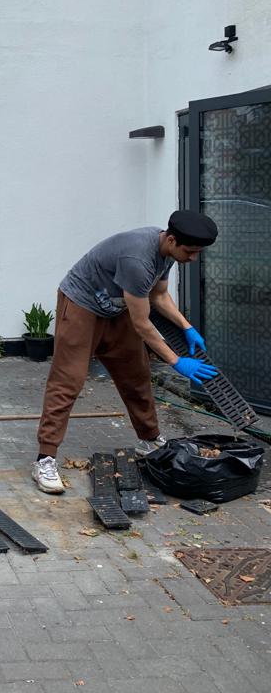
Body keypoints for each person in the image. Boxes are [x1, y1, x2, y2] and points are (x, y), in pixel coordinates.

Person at [32, 210, 219, 494]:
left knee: (137, 375)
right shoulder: (137, 259)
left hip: (116, 309)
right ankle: (44, 458)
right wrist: (176, 361)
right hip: (82, 304)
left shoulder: (166, 253)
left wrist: (186, 326)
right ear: (171, 239)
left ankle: (150, 439)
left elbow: (158, 296)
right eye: (190, 251)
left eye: (197, 253)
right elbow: (143, 324)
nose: (193, 258)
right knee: (68, 380)